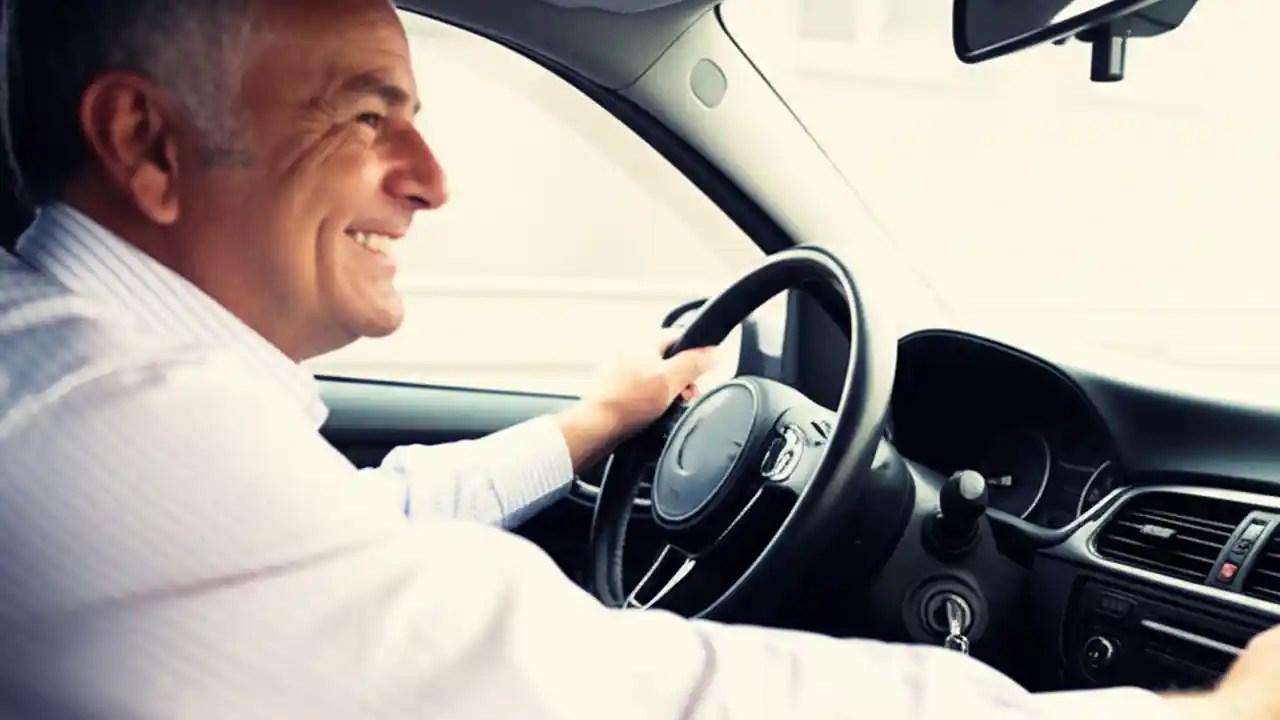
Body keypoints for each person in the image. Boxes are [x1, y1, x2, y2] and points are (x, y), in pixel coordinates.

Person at [0, 0, 1274, 717]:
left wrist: (591, 423)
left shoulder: (92, 376)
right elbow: (609, 697)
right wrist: (1198, 718)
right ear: (147, 144)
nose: (431, 183)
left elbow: (357, 526)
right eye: (364, 114)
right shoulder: (108, 422)